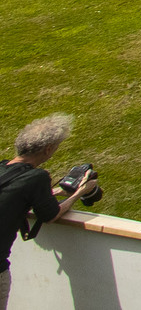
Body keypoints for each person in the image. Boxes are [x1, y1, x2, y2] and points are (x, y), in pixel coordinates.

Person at [0, 115, 100, 309]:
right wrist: (81, 191)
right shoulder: (37, 177)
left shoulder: (2, 167)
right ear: (47, 149)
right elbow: (50, 214)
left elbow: (15, 195)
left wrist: (60, 191)